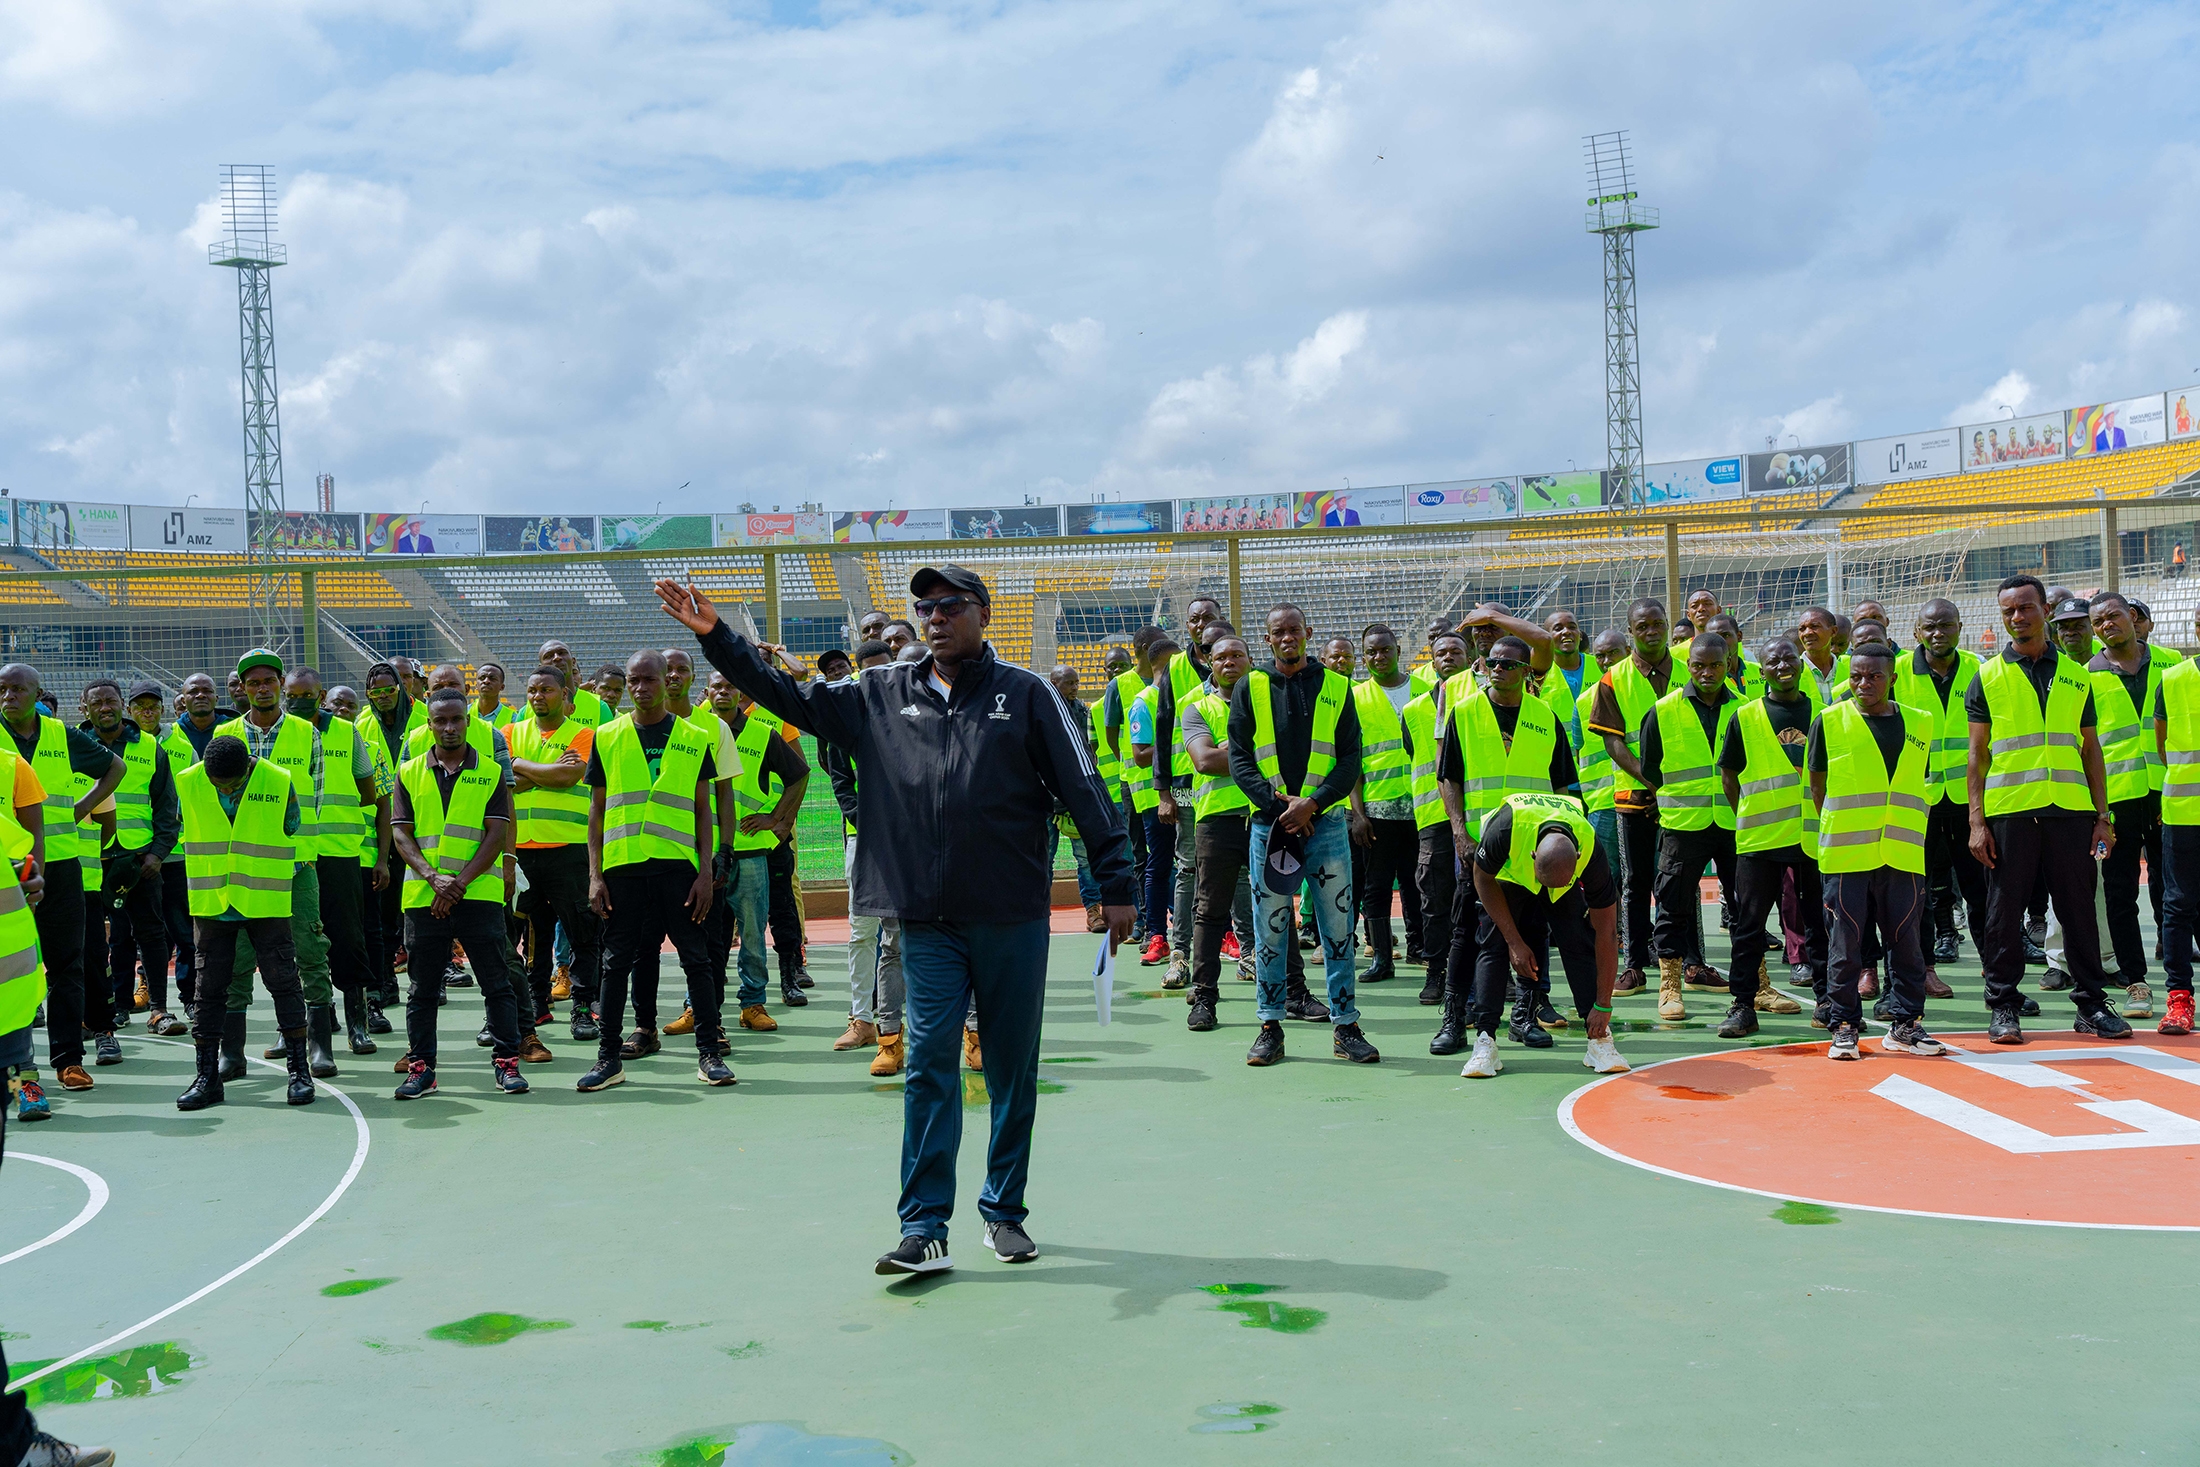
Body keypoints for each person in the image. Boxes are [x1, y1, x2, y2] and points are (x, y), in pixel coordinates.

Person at [659, 564, 1135, 1275]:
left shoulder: (1028, 696)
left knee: (1011, 1067)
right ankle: (924, 1227)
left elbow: (1085, 783)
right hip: (924, 915)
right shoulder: (878, 693)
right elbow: (784, 691)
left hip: (1008, 913)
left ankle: (1004, 1212)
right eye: (924, 607)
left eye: (949, 605)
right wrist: (719, 640)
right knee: (929, 1060)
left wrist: (1119, 880)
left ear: (982, 613)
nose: (935, 616)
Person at [1968, 574, 2130, 1045]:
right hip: (2011, 812)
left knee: (2078, 911)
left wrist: (2104, 816)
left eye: (2026, 608)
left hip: (2070, 812)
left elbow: (2090, 749)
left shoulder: (2079, 676)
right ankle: (2004, 1007)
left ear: (2046, 611)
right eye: (2009, 611)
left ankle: (2092, 1006)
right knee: (2003, 914)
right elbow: (1977, 755)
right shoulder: (1988, 676)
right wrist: (1977, 821)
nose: (2017, 617)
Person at [579, 650, 738, 1091]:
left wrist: (706, 871)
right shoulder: (607, 735)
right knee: (615, 964)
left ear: (665, 682)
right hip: (624, 869)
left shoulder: (692, 735)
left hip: (678, 870)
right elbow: (596, 813)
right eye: (635, 680)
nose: (642, 687)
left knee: (697, 960)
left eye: (650, 679)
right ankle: (608, 1058)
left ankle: (709, 1054)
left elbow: (703, 809)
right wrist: (595, 874)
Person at [1232, 604, 1378, 1067]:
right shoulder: (1249, 686)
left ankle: (1346, 1027)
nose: (1287, 637)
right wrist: (1283, 809)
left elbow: (1351, 757)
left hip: (1327, 825)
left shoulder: (1337, 687)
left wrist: (1312, 805)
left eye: (1295, 630)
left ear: (1308, 633)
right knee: (1270, 930)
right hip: (1270, 828)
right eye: (1279, 632)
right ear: (1267, 637)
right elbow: (1239, 759)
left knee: (1339, 930)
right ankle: (1270, 1028)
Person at [1431, 635, 1576, 1053]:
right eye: (1492, 662)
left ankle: (1525, 1017)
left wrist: (1559, 836)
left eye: (1509, 664)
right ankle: (1454, 1020)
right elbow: (1450, 777)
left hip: (1532, 849)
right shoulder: (1465, 712)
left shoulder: (1545, 717)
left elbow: (1563, 784)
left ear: (1527, 671)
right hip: (1480, 846)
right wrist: (1459, 830)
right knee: (1465, 934)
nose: (1498, 668)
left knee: (1532, 930)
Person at [389, 690, 533, 1099]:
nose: (449, 727)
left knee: (497, 983)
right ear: (429, 724)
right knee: (422, 991)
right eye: (441, 721)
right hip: (424, 897)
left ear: (468, 721)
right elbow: (401, 832)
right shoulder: (409, 771)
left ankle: (507, 1065)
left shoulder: (490, 773)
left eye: (457, 719)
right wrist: (434, 878)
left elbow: (496, 833)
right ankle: (422, 1070)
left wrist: (457, 884)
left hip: (477, 895)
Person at [1810, 642, 1948, 1060]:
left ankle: (1906, 1026)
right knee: (1846, 944)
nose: (1863, 683)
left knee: (1907, 943)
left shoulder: (1921, 723)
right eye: (1856, 676)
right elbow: (1818, 785)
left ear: (1893, 678)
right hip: (1847, 854)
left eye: (1873, 676)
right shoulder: (1829, 721)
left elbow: (1917, 782)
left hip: (1903, 853)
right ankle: (1845, 1024)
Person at [174, 734, 316, 1108]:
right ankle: (206, 1077)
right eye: (217, 782)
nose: (225, 788)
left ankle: (299, 1072)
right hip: (213, 901)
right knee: (208, 992)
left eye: (232, 783)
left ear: (247, 767)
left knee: (284, 983)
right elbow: (179, 820)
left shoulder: (278, 779)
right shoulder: (187, 781)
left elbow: (292, 824)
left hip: (264, 899)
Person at [1, 665, 122, 1098]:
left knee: (66, 965)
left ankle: (68, 1061)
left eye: (18, 689)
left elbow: (115, 767)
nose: (9, 696)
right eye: (2, 689)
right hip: (5, 873)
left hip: (62, 866)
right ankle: (20, 1077)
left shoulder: (60, 735)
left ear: (37, 693)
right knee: (10, 976)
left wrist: (78, 809)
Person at [1456, 791, 1627, 1078]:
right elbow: (1481, 878)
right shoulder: (1505, 828)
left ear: (1579, 859)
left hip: (1560, 875)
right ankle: (1485, 1041)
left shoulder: (1591, 850)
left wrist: (1603, 1004)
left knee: (1578, 940)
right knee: (1493, 944)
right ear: (1534, 856)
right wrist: (1514, 941)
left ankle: (1598, 1039)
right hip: (1508, 874)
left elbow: (1607, 933)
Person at [1714, 637, 1821, 1036]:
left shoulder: (1824, 714)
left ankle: (1827, 1000)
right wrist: (1750, 814)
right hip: (1760, 841)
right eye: (1772, 660)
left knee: (1819, 924)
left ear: (1801, 663)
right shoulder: (1745, 717)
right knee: (1749, 926)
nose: (1782, 665)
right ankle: (1744, 1005)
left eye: (1789, 658)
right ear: (1762, 671)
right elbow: (1729, 777)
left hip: (1812, 839)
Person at [1640, 634, 1740, 1020]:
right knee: (1672, 905)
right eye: (1698, 665)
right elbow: (1651, 768)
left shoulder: (1747, 709)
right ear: (1689, 667)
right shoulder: (1663, 711)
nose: (1707, 672)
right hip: (1682, 825)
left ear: (1728, 663)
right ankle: (1670, 986)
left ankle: (1757, 984)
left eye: (1715, 664)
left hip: (1733, 823)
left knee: (1745, 905)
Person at [79, 679, 180, 1052]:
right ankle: (114, 1008)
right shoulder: (73, 746)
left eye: (111, 701)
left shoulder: (150, 746)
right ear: (83, 708)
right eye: (97, 702)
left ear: (123, 705)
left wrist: (157, 854)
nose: (105, 708)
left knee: (151, 935)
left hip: (139, 860)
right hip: (90, 860)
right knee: (102, 940)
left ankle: (158, 1009)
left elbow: (167, 807)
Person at [508, 664, 605, 1045]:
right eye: (532, 690)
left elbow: (570, 777)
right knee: (527, 934)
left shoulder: (584, 734)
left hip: (569, 849)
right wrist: (536, 769)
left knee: (583, 933)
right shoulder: (511, 732)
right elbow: (505, 780)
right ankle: (536, 1001)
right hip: (521, 852)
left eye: (546, 690)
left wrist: (521, 767)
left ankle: (583, 1006)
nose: (537, 697)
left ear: (565, 695)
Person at [824, 645, 907, 1074]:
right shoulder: (853, 710)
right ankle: (864, 1019)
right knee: (863, 931)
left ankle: (945, 1028)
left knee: (929, 935)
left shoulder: (921, 708)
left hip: (921, 841)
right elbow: (840, 776)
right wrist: (868, 820)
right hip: (867, 841)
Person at [1587, 600, 1676, 998]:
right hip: (1633, 796)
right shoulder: (1613, 680)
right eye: (1643, 625)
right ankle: (1635, 964)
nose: (1652, 630)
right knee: (1636, 882)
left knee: (1679, 882)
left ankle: (1688, 960)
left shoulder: (1689, 670)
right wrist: (1655, 783)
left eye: (1658, 623)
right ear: (1631, 631)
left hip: (1685, 797)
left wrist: (1671, 787)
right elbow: (1613, 741)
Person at [1899, 599, 1987, 980]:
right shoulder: (1898, 671)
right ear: (1917, 632)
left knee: (1982, 890)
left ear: (1960, 626)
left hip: (1970, 799)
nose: (1938, 633)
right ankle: (1924, 970)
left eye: (1946, 625)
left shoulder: (1980, 669)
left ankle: (1996, 971)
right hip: (1918, 801)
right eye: (1930, 627)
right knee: (1915, 892)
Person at [2087, 591, 2164, 1019]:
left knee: (2180, 890)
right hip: (2115, 804)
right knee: (2120, 894)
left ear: (2132, 617)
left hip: (2173, 794)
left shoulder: (2172, 663)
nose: (2106, 625)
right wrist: (2097, 812)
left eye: (2113, 616)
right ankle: (2136, 983)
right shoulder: (2083, 677)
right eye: (2098, 622)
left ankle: (2178, 985)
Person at [1348, 623, 1423, 982]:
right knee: (1375, 886)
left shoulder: (1426, 689)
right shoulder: (1357, 697)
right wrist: (1358, 814)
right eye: (1371, 652)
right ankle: (1381, 957)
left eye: (1385, 650)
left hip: (1423, 806)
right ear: (1364, 658)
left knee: (1418, 881)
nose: (1379, 657)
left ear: (1398, 650)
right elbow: (1352, 762)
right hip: (1378, 811)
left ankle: (1420, 947)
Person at [1406, 631, 1472, 1012]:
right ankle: (1437, 971)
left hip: (1476, 816)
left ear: (1469, 658)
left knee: (1482, 898)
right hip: (1432, 817)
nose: (1448, 657)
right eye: (1441, 653)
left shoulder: (1483, 703)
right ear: (1432, 663)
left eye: (1456, 652)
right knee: (1434, 897)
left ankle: (1494, 973)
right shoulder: (1415, 710)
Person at [2156, 608, 2200, 1034]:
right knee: (2178, 905)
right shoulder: (2173, 680)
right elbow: (2164, 745)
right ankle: (2179, 999)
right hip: (2185, 814)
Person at [1796, 607, 1848, 706]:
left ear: (1833, 631)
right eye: (1802, 629)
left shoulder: (1850, 672)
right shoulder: (1791, 672)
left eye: (1814, 626)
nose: (1807, 633)